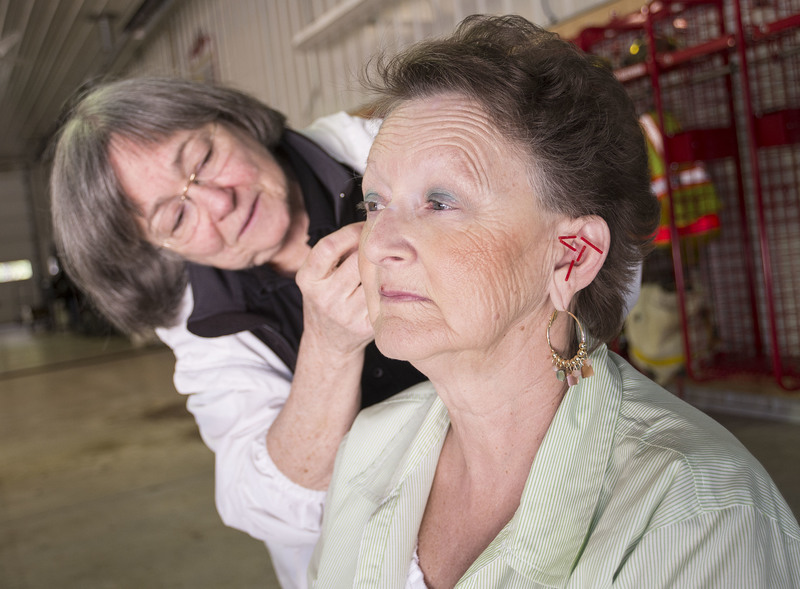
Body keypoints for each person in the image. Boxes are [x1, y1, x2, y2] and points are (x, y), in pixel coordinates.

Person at [309, 15, 800, 587]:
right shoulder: (371, 441)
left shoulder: (700, 518)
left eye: (441, 202)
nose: (381, 244)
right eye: (375, 204)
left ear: (571, 256)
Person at [49, 77, 424, 589]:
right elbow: (266, 504)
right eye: (177, 215)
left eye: (201, 159)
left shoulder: (378, 147)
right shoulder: (202, 319)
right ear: (158, 249)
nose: (218, 203)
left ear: (233, 119)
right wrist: (329, 349)